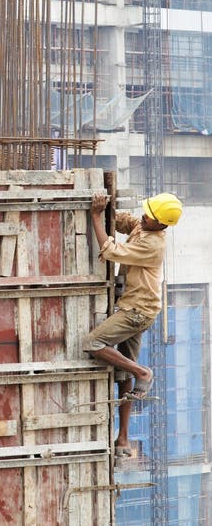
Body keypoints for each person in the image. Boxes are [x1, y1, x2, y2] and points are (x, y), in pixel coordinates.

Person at [83, 190, 182, 459]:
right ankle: (123, 437)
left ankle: (143, 372)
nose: (144, 217)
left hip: (136, 311)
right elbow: (125, 221)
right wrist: (108, 208)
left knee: (93, 343)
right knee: (122, 373)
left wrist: (94, 216)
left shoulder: (153, 245)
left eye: (150, 217)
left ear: (161, 224)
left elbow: (110, 250)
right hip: (141, 308)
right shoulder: (145, 225)